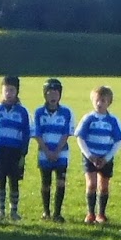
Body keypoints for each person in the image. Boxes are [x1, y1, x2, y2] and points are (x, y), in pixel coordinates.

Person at [75, 85, 121, 224]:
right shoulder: (88, 118)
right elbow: (80, 138)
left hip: (105, 158)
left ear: (109, 102)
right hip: (90, 157)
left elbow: (118, 140)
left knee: (103, 186)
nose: (99, 103)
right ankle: (90, 213)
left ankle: (101, 214)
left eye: (103, 100)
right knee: (91, 184)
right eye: (97, 100)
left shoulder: (113, 120)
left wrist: (107, 158)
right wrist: (89, 155)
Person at [32, 77, 73, 222]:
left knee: (61, 182)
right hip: (44, 153)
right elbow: (36, 134)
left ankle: (57, 213)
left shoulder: (66, 112)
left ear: (60, 95)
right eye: (49, 93)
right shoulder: (38, 112)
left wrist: (56, 151)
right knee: (46, 183)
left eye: (56, 93)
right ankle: (46, 212)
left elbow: (66, 133)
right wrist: (47, 151)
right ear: (44, 94)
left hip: (61, 153)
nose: (53, 96)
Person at [0, 76, 31, 222]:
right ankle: (0, 210)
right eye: (6, 90)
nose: (9, 93)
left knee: (14, 181)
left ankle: (14, 211)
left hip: (15, 151)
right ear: (1, 91)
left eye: (12, 90)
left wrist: (23, 151)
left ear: (17, 91)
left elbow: (26, 132)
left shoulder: (22, 111)